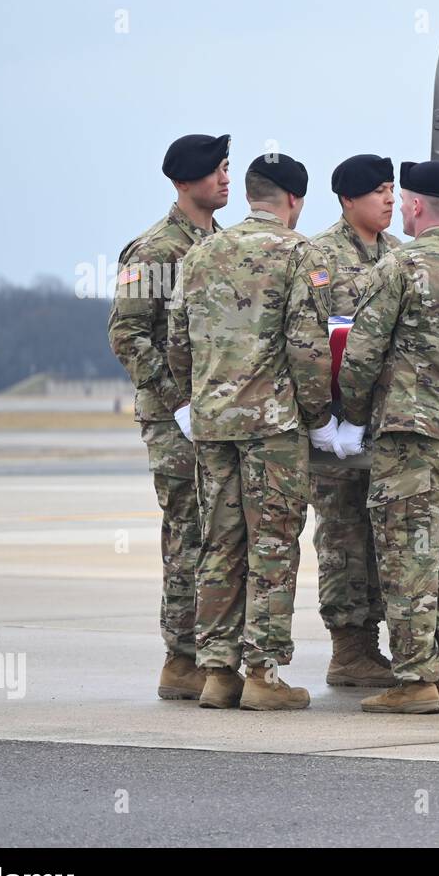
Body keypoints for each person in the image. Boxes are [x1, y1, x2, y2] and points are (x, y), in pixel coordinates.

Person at [167, 153, 336, 711]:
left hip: (214, 425)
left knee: (220, 542)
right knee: (272, 544)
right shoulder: (300, 253)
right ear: (294, 200)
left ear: (249, 194)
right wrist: (319, 415)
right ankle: (263, 672)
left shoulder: (202, 253)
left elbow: (176, 342)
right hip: (273, 426)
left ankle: (217, 671)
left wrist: (199, 397)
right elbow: (308, 348)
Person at [338, 160, 439, 714]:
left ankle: (414, 679)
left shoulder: (400, 266)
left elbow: (361, 355)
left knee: (408, 552)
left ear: (414, 206)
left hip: (410, 433)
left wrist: (354, 415)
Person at [107, 133, 229, 701]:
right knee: (189, 534)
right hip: (175, 419)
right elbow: (127, 334)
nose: (226, 178)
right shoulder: (157, 251)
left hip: (220, 415)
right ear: (184, 184)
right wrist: (176, 402)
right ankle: (181, 658)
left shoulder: (222, 244)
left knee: (221, 537)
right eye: (215, 171)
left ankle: (212, 651)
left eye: (228, 168)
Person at [309, 154, 401, 688]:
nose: (389, 199)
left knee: (385, 532)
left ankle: (380, 642)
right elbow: (309, 338)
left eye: (392, 190)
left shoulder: (399, 256)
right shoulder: (319, 257)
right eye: (378, 191)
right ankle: (350, 647)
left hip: (388, 421)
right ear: (348, 200)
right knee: (344, 534)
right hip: (340, 423)